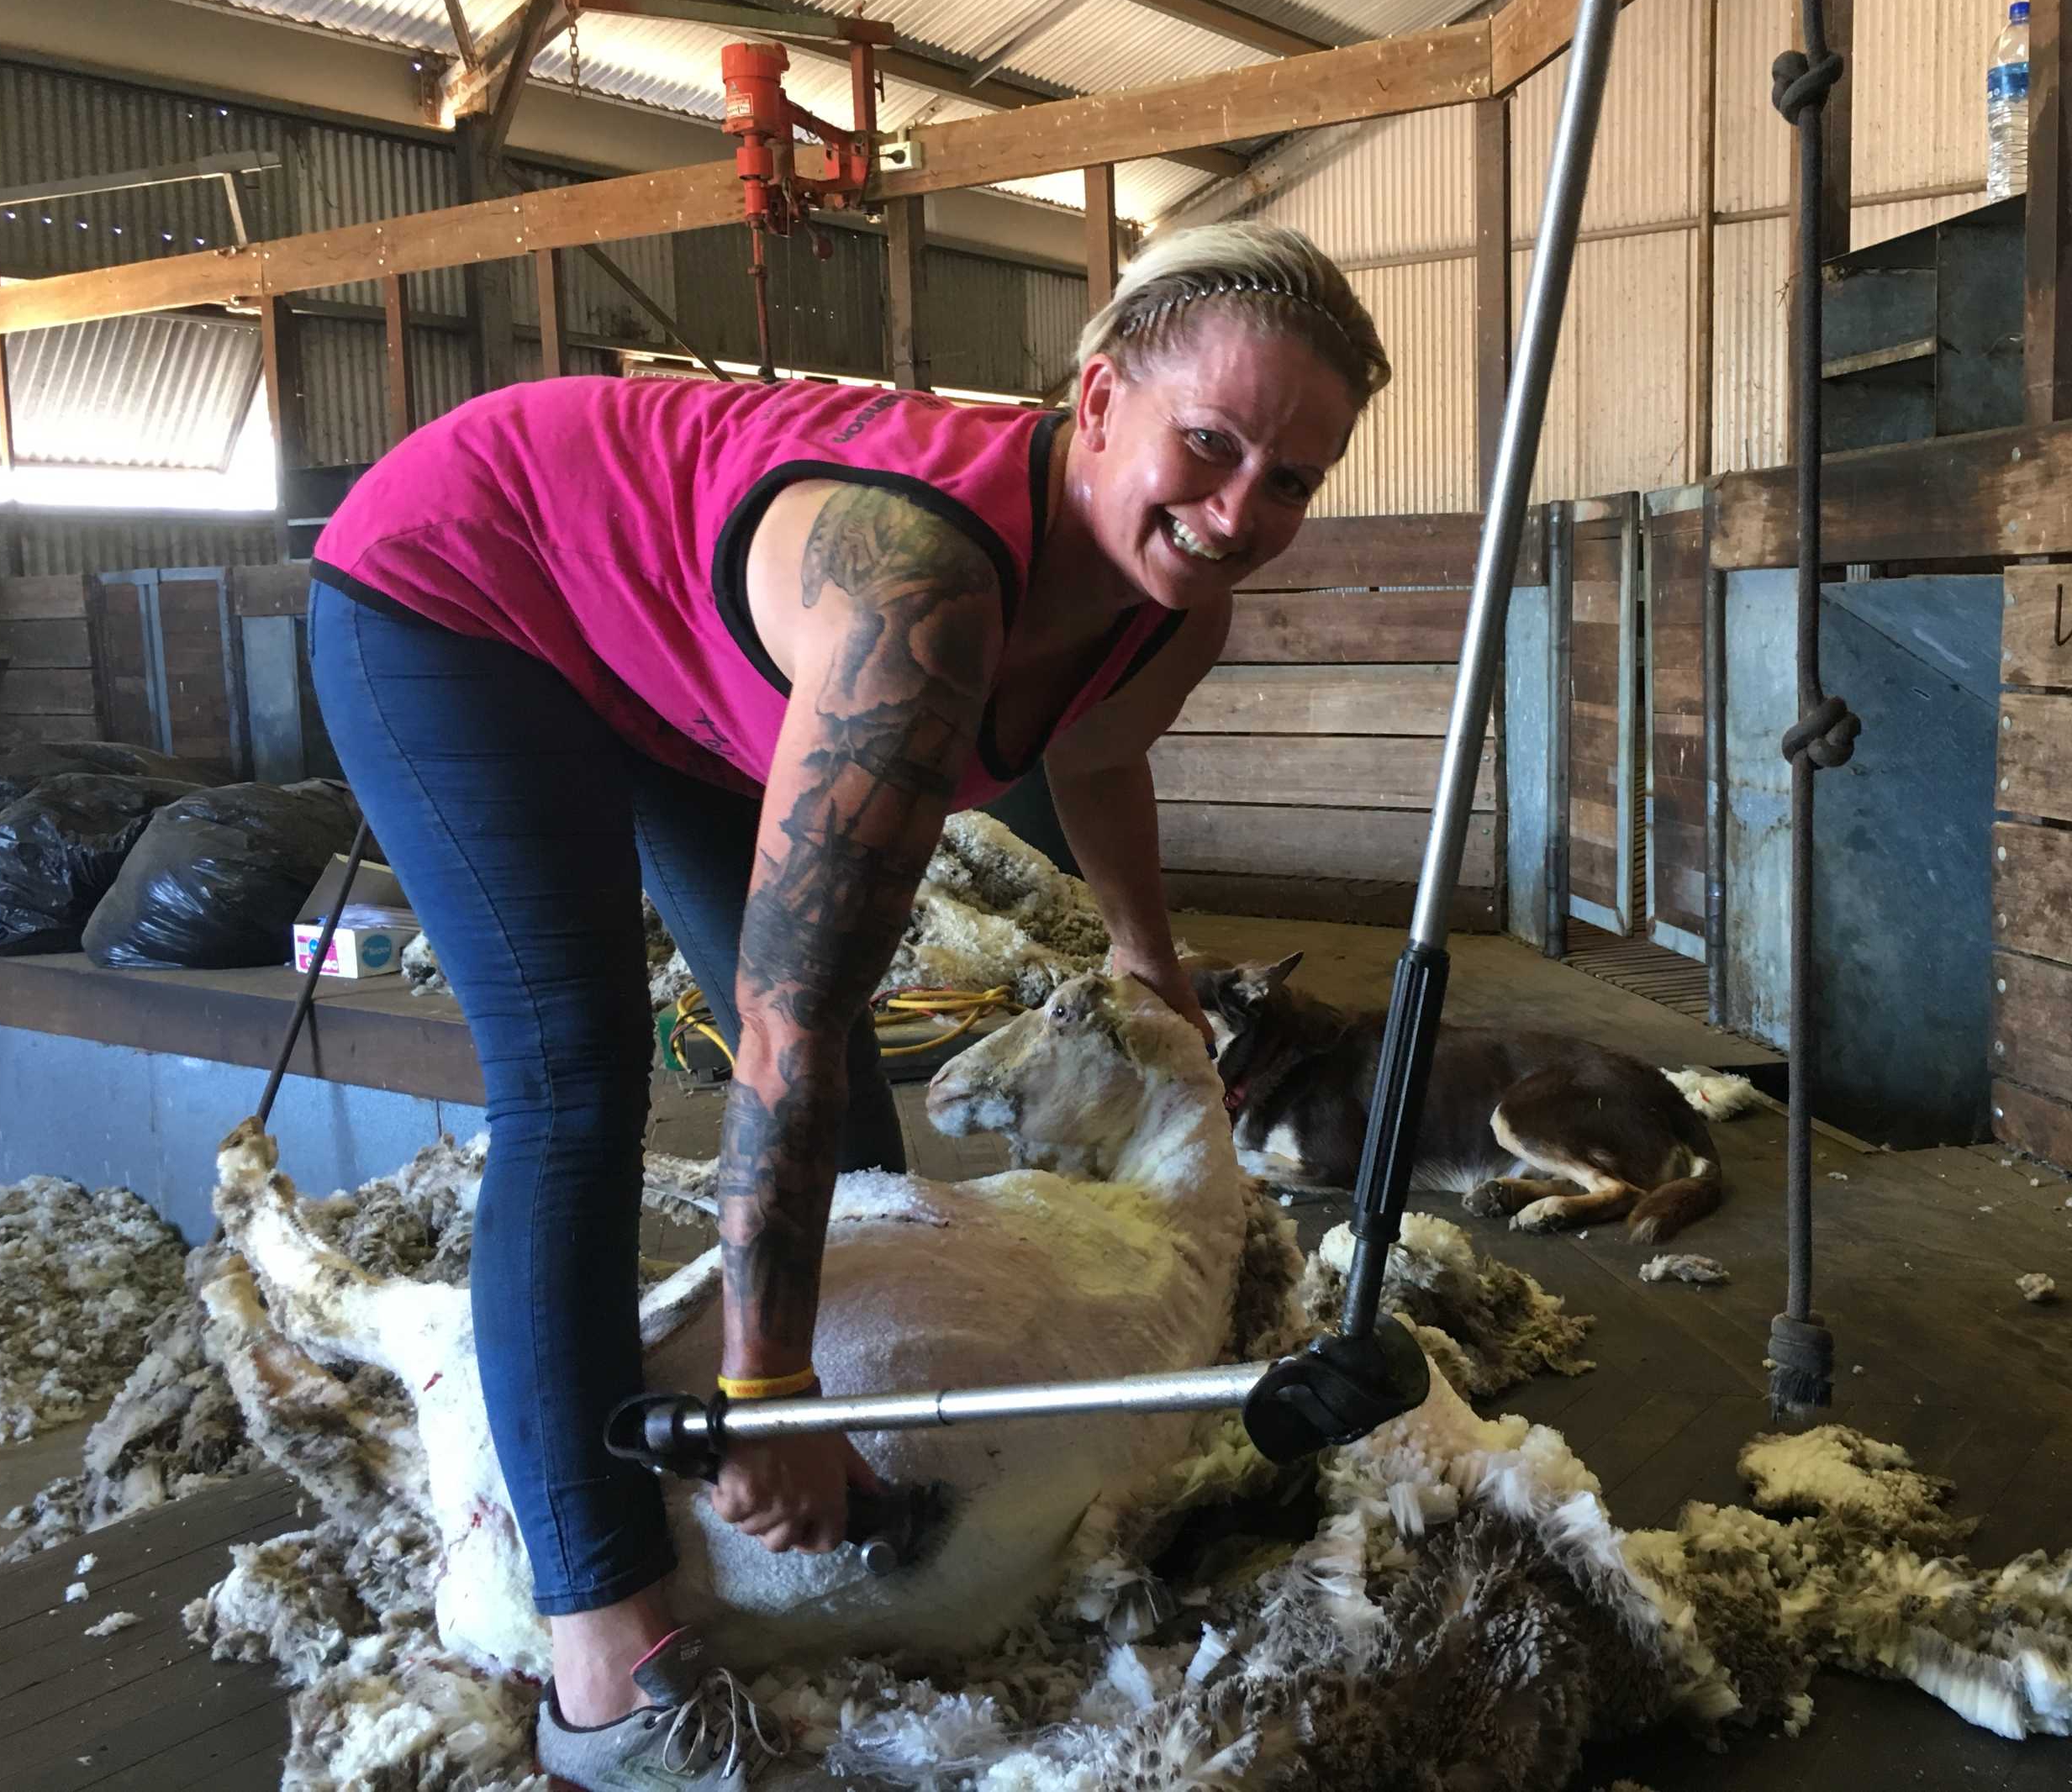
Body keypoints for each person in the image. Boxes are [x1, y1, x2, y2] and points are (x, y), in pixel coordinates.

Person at [305, 219, 1389, 1786]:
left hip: (673, 656)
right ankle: (605, 1653)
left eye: (1289, 480)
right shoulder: (923, 609)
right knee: (578, 1078)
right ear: (1095, 403)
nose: (1236, 513)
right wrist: (765, 1392)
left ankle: (861, 1434)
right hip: (468, 586)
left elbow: (1093, 746)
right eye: (1206, 444)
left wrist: (1153, 967)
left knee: (850, 1092)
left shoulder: (1179, 596)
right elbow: (779, 1025)